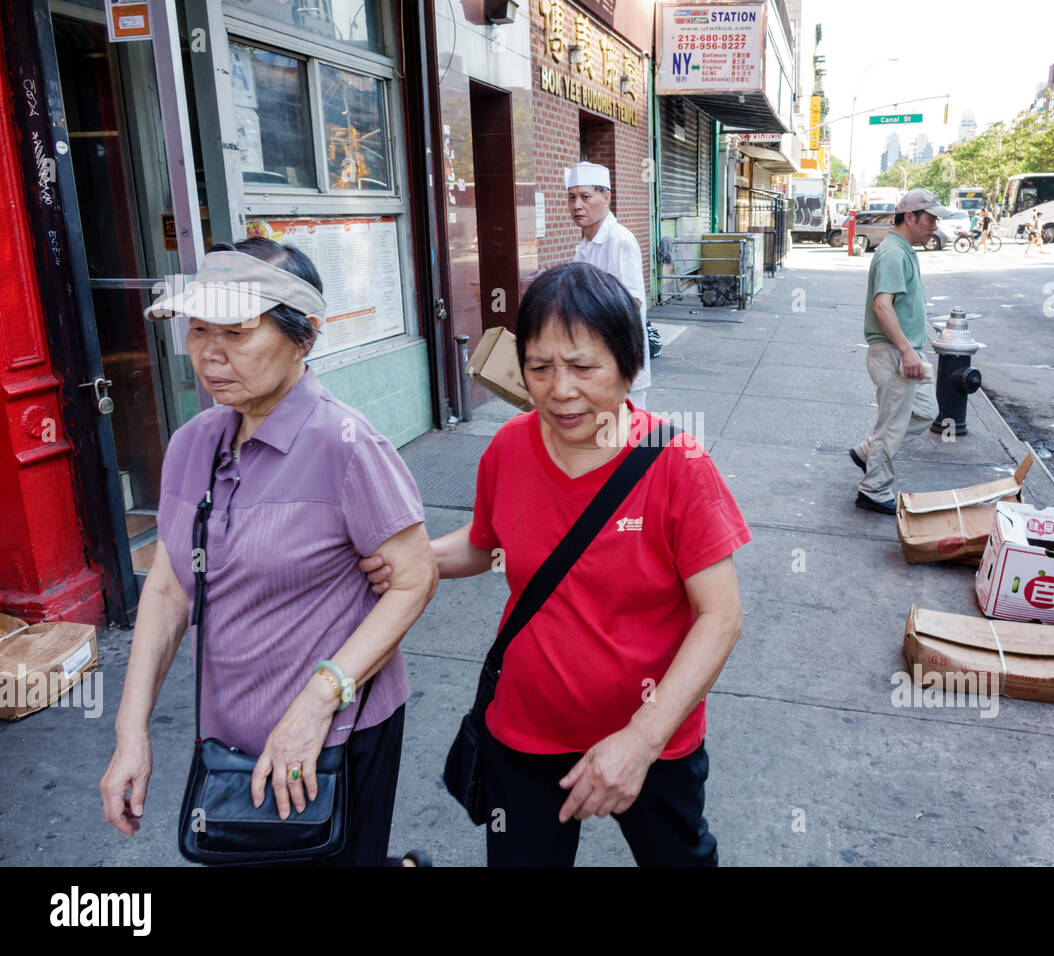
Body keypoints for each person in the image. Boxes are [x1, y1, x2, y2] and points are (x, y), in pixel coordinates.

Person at [362, 262, 750, 867]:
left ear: (628, 366)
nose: (560, 389)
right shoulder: (508, 448)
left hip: (654, 739)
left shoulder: (678, 464)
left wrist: (641, 742)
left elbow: (720, 617)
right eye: (540, 368)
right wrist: (418, 560)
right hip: (524, 732)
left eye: (583, 367)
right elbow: (491, 543)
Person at [100, 238, 438, 866]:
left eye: (235, 331)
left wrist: (317, 700)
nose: (209, 353)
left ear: (303, 336)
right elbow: (171, 588)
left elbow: (414, 580)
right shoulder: (191, 444)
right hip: (228, 738)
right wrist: (131, 733)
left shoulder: (348, 446)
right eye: (198, 329)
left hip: (337, 734)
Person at [848, 188, 947, 514]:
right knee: (892, 425)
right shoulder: (892, 252)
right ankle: (874, 489)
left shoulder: (904, 249)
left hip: (903, 352)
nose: (935, 226)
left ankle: (868, 453)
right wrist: (906, 351)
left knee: (924, 413)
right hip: (893, 353)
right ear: (910, 217)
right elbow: (882, 306)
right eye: (930, 219)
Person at [566, 161, 657, 407]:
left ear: (606, 197)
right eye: (572, 197)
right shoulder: (583, 247)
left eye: (585, 196)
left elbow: (633, 301)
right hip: (593, 362)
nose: (577, 205)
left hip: (620, 361)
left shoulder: (619, 240)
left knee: (628, 438)